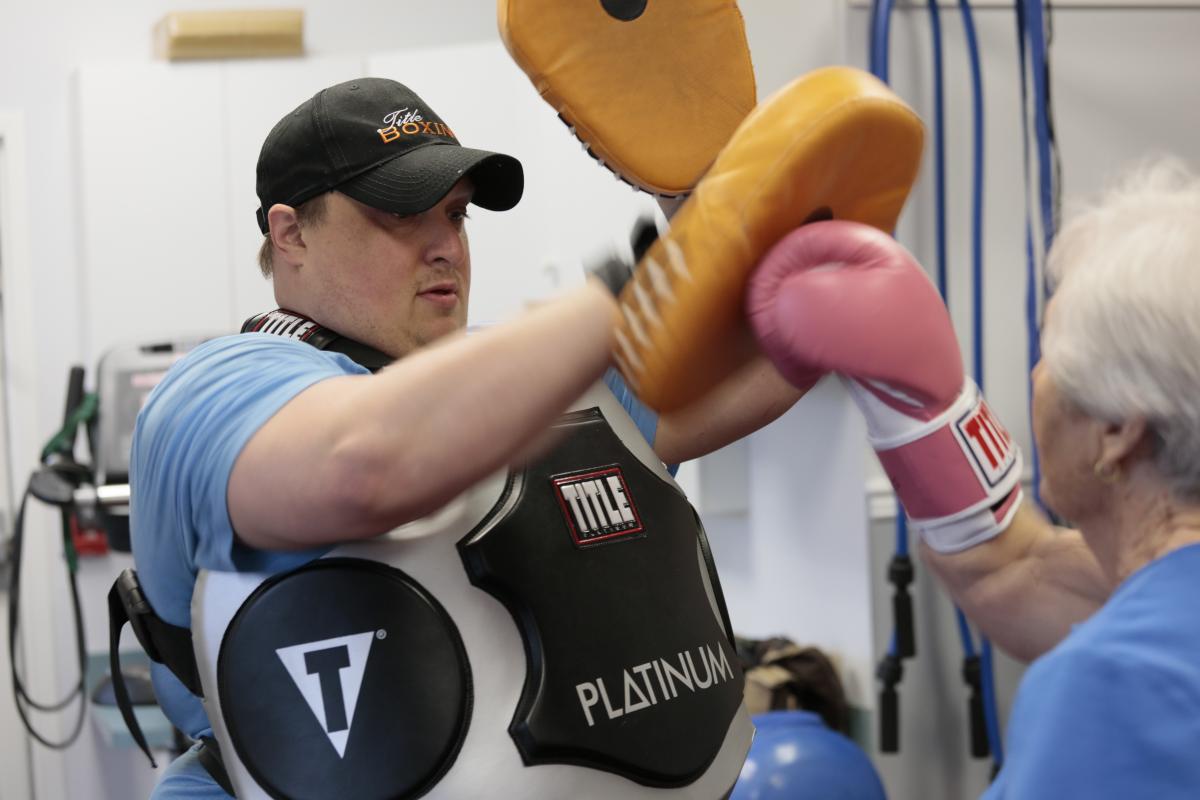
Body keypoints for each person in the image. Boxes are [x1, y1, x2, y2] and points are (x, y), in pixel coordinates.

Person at [128, 76, 805, 799]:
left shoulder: (516, 376)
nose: (446, 244)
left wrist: (715, 192)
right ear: (291, 233)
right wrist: (621, 303)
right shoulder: (216, 389)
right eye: (401, 213)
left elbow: (762, 365)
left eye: (454, 214)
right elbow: (361, 464)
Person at [746, 157, 1200, 798]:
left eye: (1049, 354)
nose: (1037, 379)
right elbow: (1015, 568)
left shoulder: (1113, 683)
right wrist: (913, 400)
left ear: (1117, 430)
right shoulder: (1153, 598)